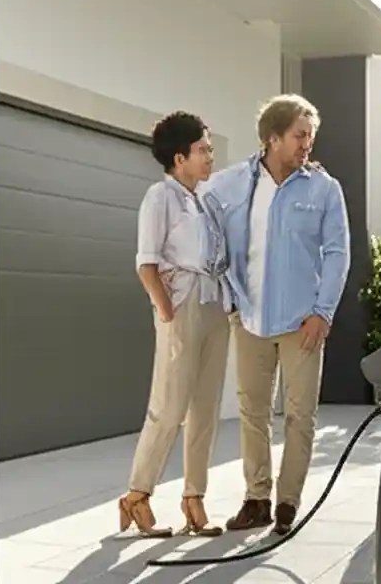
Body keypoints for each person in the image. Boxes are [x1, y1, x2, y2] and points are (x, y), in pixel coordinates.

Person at [202, 94, 351, 535]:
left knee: (301, 415)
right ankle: (256, 499)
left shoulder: (324, 188)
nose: (308, 143)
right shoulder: (236, 183)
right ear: (273, 138)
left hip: (302, 322)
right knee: (253, 412)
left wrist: (323, 312)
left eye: (311, 135)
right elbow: (203, 216)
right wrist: (228, 294)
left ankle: (287, 503)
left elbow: (339, 252)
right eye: (299, 135)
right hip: (248, 318)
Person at [118, 111, 233, 538]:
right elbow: (146, 263)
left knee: (205, 411)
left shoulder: (202, 200)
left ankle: (194, 499)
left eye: (209, 148)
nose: (210, 156)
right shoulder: (160, 197)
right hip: (181, 308)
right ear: (179, 157)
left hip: (213, 308)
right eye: (203, 149)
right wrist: (166, 311)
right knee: (168, 408)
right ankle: (137, 495)